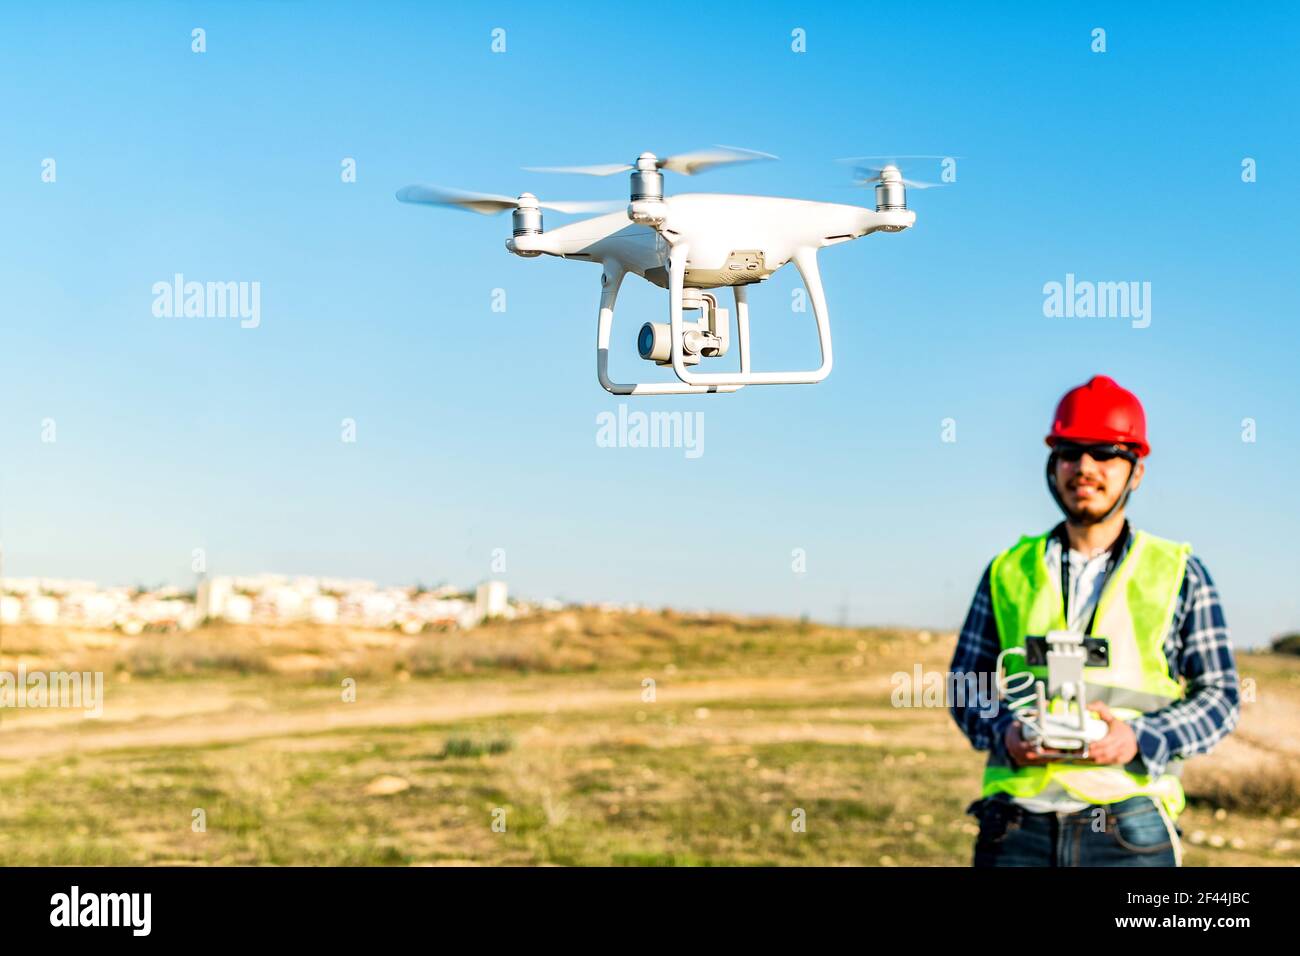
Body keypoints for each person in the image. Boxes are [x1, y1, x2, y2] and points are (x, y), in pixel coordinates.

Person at [948, 375, 1240, 866]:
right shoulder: (1007, 570)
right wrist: (1006, 735)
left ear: (1136, 471)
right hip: (1018, 825)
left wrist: (1140, 739)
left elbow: (1220, 696)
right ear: (1052, 463)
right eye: (1069, 452)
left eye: (1104, 453)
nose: (1083, 468)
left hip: (1129, 828)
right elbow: (966, 682)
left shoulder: (1178, 572)